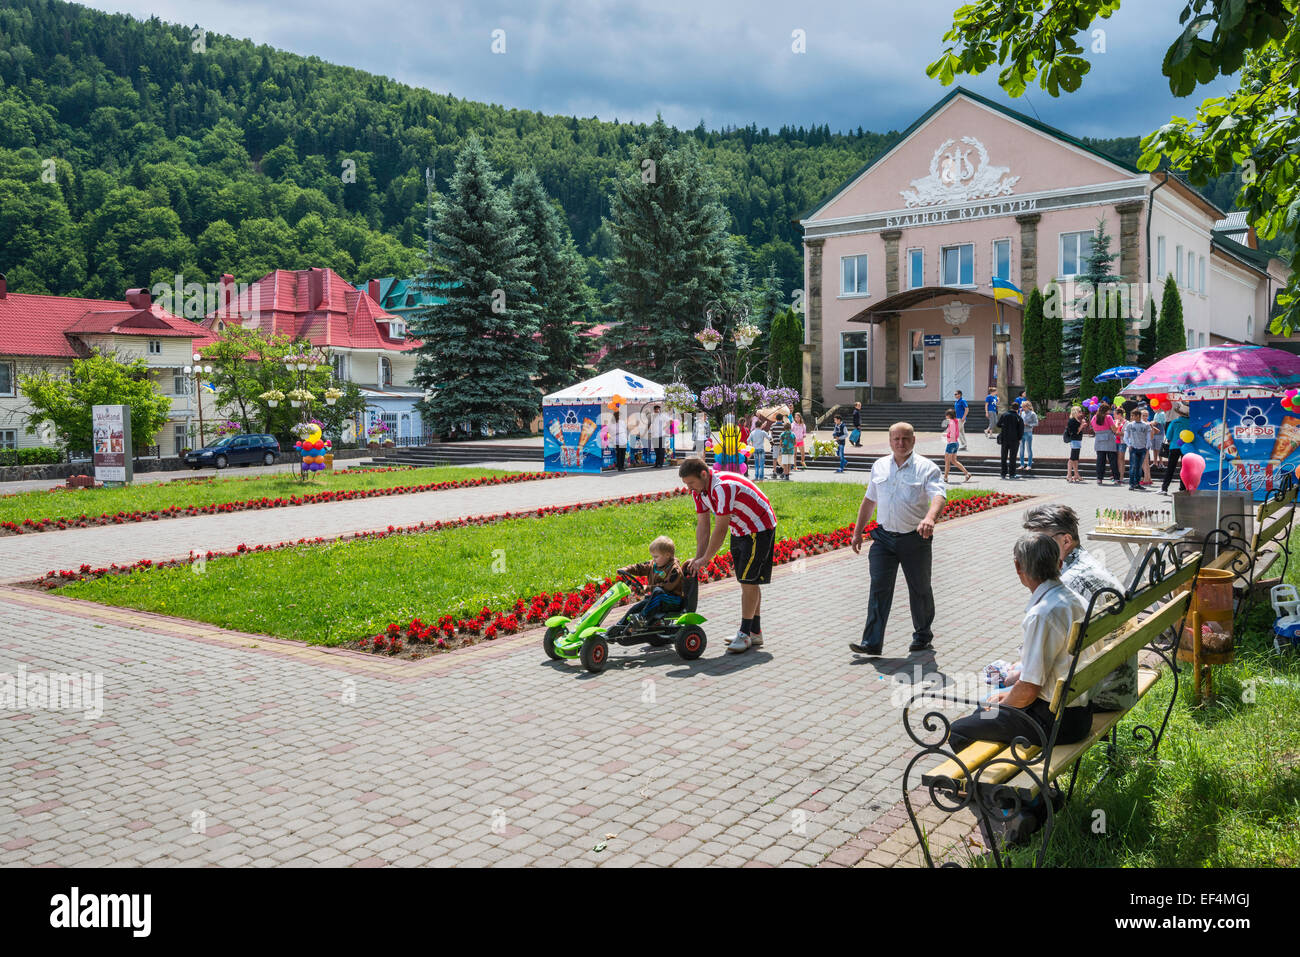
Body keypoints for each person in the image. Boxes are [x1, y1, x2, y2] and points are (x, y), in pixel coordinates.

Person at [945, 534, 1094, 756]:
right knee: (986, 708)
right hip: (1079, 712)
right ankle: (999, 784)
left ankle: (998, 788)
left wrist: (1002, 705)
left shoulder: (1043, 613)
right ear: (1059, 565)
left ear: (1018, 567)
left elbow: (1029, 689)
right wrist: (1004, 699)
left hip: (1055, 723)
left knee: (959, 730)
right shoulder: (1076, 600)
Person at [1021, 504, 1137, 714]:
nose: (1034, 548)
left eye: (1042, 541)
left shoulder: (1066, 583)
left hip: (1100, 693)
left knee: (999, 695)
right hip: (1121, 680)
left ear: (1066, 540)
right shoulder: (1087, 563)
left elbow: (1045, 663)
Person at [849, 423, 947, 656]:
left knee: (920, 589)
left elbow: (939, 496)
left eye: (905, 439)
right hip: (884, 539)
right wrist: (857, 531)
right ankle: (872, 643)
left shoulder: (927, 468)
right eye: (896, 439)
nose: (900, 443)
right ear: (890, 441)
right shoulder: (880, 466)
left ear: (914, 440)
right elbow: (869, 500)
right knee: (879, 589)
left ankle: (922, 636)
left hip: (915, 538)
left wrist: (930, 519)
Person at [680, 457, 777, 654]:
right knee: (748, 581)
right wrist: (698, 557)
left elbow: (720, 528)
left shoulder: (721, 487)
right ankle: (754, 632)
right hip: (740, 529)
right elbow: (703, 525)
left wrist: (706, 559)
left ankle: (745, 634)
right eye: (686, 484)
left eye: (691, 483)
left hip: (759, 528)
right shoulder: (699, 492)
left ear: (704, 474)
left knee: (748, 582)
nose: (689, 488)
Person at [610, 535, 686, 634]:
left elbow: (667, 587)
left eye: (656, 556)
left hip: (673, 600)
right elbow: (640, 567)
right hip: (658, 598)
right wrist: (627, 569)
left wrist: (648, 588)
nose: (653, 559)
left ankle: (642, 619)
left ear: (667, 555)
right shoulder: (654, 565)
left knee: (658, 593)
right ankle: (620, 626)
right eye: (653, 557)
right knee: (637, 607)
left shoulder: (674, 569)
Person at [1162, 405, 1192, 494]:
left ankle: (1164, 488)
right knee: (1184, 469)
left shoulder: (1174, 422)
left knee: (1170, 468)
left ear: (1179, 413)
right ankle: (1182, 488)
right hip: (1186, 448)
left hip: (1174, 447)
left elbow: (1168, 436)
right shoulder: (1191, 423)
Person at [1091, 402, 1121, 485]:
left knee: (1100, 461)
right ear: (1107, 410)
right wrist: (1117, 423)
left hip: (1099, 440)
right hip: (1109, 440)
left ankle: (1099, 478)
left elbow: (1094, 429)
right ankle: (1116, 478)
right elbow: (1115, 430)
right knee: (1113, 461)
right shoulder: (1108, 417)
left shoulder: (1094, 417)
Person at [1122, 407, 1149, 491]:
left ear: (1138, 416)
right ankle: (1131, 484)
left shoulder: (1145, 425)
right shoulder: (1130, 425)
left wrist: (1147, 446)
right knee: (1133, 466)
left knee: (1139, 466)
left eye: (1133, 415)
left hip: (1142, 448)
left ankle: (1137, 483)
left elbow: (1148, 437)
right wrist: (1129, 445)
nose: (1131, 417)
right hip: (1133, 448)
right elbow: (1125, 437)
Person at [942, 409, 971, 483]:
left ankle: (945, 477)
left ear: (949, 415)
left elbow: (952, 434)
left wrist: (948, 437)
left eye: (946, 414)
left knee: (947, 461)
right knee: (954, 461)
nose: (945, 416)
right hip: (955, 443)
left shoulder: (951, 422)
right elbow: (956, 432)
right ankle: (967, 474)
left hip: (951, 443)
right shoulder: (956, 421)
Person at [997, 403, 1024, 479]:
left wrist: (1005, 426)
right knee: (1012, 457)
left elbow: (998, 424)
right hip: (1014, 440)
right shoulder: (1018, 417)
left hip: (1005, 439)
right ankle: (1012, 474)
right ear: (1018, 409)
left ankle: (1003, 473)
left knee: (1003, 457)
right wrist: (1019, 438)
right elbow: (1021, 430)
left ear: (1011, 407)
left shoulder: (1004, 415)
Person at [1064, 405, 1085, 483]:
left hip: (1077, 440)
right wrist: (1082, 425)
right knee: (1072, 458)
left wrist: (1081, 425)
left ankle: (1076, 474)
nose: (1081, 413)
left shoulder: (1076, 420)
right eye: (1079, 411)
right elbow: (1075, 432)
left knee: (1076, 459)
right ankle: (1069, 474)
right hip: (1074, 440)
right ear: (1075, 412)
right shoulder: (1072, 420)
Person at [1019, 400, 1039, 472]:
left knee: (1028, 449)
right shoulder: (1022, 413)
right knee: (1021, 449)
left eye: (1024, 406)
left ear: (1028, 407)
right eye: (1022, 406)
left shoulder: (1032, 413)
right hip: (1021, 432)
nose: (1022, 408)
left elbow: (1036, 423)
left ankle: (1029, 465)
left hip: (1028, 432)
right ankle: (1021, 464)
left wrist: (1028, 425)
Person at [779, 416, 797, 480]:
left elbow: (780, 443)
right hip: (791, 450)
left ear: (784, 428)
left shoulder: (782, 434)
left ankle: (785, 474)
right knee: (789, 463)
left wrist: (781, 446)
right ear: (790, 428)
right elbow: (795, 443)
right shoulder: (793, 434)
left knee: (785, 463)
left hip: (784, 450)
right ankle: (788, 474)